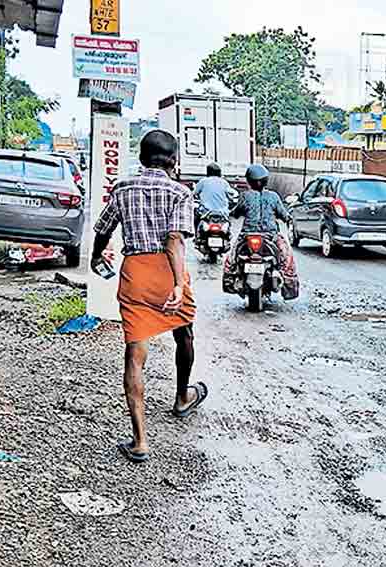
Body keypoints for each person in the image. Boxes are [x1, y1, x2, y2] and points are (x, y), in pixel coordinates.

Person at [90, 129, 209, 464]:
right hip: (168, 271)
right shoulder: (180, 192)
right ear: (173, 161)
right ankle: (183, 396)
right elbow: (175, 240)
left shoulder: (123, 188)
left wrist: (96, 258)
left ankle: (140, 440)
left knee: (134, 354)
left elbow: (102, 230)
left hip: (136, 273)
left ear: (141, 158)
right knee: (184, 332)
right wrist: (176, 284)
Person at [225, 164, 299, 299]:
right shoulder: (274, 196)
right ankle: (289, 287)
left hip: (246, 236)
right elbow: (284, 214)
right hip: (270, 236)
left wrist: (231, 213)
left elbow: (236, 212)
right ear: (266, 180)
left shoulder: (245, 196)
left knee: (232, 257)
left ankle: (229, 280)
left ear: (248, 181)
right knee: (287, 258)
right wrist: (289, 219)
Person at [192, 162, 236, 228]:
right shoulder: (224, 182)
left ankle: (195, 235)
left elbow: (193, 194)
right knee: (228, 227)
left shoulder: (203, 181)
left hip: (206, 213)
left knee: (195, 221)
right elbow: (231, 195)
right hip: (222, 213)